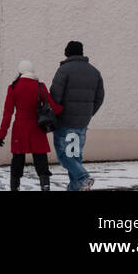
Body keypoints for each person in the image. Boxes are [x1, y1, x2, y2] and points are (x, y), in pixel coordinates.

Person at [0, 60, 61, 191]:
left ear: (20, 71)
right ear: (32, 71)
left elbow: (7, 114)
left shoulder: (13, 87)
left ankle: (15, 187)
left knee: (18, 159)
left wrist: (1, 134)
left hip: (20, 128)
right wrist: (66, 108)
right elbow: (54, 107)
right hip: (37, 127)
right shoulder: (40, 86)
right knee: (41, 158)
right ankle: (45, 186)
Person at [50, 40, 104, 191]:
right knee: (75, 156)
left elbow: (55, 97)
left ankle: (83, 178)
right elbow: (100, 98)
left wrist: (53, 115)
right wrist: (88, 113)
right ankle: (75, 188)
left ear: (67, 53)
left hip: (65, 122)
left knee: (64, 155)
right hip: (82, 123)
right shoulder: (94, 72)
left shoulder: (64, 70)